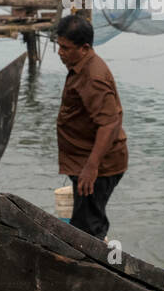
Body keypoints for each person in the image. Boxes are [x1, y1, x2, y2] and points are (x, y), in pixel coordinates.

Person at [55, 14, 128, 240]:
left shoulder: (92, 76)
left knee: (88, 230)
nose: (60, 52)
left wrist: (91, 167)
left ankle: (96, 271)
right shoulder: (80, 66)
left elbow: (109, 123)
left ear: (84, 48)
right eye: (59, 46)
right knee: (83, 224)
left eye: (66, 48)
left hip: (98, 165)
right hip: (84, 161)